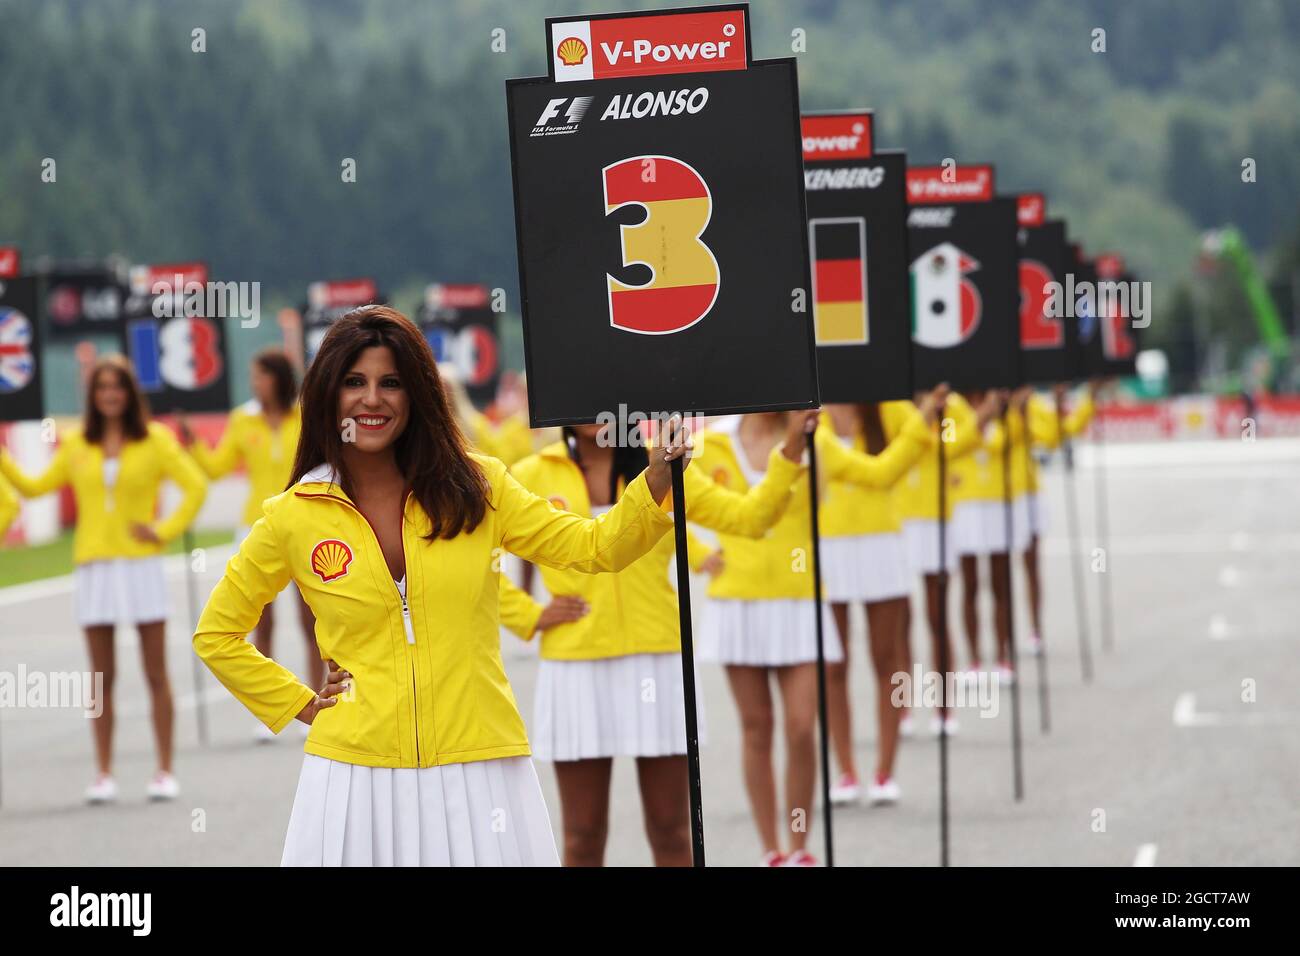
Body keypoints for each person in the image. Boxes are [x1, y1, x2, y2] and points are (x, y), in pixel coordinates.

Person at [191, 306, 689, 867]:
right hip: (355, 772)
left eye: (391, 383)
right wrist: (302, 705)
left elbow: (595, 548)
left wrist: (657, 479)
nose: (371, 399)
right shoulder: (292, 514)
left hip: (480, 763)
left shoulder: (479, 486)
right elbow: (217, 634)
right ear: (329, 393)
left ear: (417, 394)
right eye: (354, 382)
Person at [502, 413, 812, 866]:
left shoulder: (667, 466)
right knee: (582, 835)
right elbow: (478, 560)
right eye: (582, 397)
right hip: (574, 664)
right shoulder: (532, 474)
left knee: (670, 831)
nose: (593, 411)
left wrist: (792, 450)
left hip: (658, 662)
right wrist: (529, 615)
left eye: (605, 398)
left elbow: (751, 517)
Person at [691, 390, 943, 866]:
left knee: (803, 727)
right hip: (738, 603)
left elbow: (882, 472)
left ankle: (800, 843)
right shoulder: (710, 444)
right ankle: (772, 850)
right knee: (756, 728)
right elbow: (666, 503)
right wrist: (703, 557)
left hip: (799, 599)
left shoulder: (815, 440)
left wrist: (923, 419)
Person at [0, 355, 207, 803]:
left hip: (141, 566)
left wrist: (164, 530)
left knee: (155, 673)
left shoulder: (155, 439)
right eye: (101, 387)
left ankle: (165, 769)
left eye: (117, 386)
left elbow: (196, 486)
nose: (109, 394)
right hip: (94, 568)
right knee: (101, 676)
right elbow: (36, 488)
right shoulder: (76, 443)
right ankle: (104, 773)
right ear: (92, 396)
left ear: (130, 393)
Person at [179, 348, 318, 741]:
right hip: (257, 527)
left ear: (278, 378)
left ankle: (321, 697)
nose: (255, 383)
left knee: (314, 619)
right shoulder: (243, 420)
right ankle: (271, 706)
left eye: (260, 376)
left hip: (306, 522)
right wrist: (193, 442)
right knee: (261, 620)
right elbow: (217, 467)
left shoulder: (305, 415)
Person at [819, 400, 932, 806]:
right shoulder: (813, 411)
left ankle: (885, 770)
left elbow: (899, 464)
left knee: (886, 659)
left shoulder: (892, 409)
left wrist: (927, 417)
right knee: (833, 664)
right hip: (828, 545)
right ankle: (846, 771)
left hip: (882, 543)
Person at [896, 389, 992, 735]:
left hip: (937, 518)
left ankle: (944, 708)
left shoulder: (950, 408)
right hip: (899, 519)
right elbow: (895, 455)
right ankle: (903, 707)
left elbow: (950, 448)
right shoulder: (894, 406)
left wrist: (982, 417)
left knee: (938, 619)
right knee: (899, 624)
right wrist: (921, 416)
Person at [1018, 382, 1097, 654]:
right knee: (988, 579)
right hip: (981, 496)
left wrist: (1083, 398)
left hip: (1026, 492)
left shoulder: (1032, 405)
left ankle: (1035, 631)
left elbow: (1057, 435)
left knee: (1031, 566)